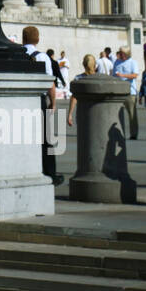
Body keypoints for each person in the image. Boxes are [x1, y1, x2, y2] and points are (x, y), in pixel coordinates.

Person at [22, 25, 63, 185]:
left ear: (23, 38)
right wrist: (53, 103)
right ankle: (50, 173)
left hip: (21, 101)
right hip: (39, 101)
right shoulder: (44, 57)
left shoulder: (18, 54)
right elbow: (49, 83)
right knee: (46, 139)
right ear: (38, 40)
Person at [113, 46, 140, 140]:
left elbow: (135, 75)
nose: (119, 54)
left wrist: (122, 75)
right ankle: (119, 132)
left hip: (130, 91)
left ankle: (134, 133)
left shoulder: (133, 62)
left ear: (125, 53)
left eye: (120, 52)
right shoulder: (117, 62)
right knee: (117, 113)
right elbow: (113, 74)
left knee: (132, 114)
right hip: (118, 91)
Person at [66, 54, 100, 128]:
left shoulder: (78, 78)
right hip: (97, 112)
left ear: (83, 64)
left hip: (82, 111)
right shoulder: (99, 79)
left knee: (83, 136)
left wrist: (70, 114)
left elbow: (74, 97)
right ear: (95, 65)